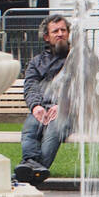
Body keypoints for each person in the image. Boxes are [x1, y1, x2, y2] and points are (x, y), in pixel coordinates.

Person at [18, 14, 73, 187]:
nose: (60, 34)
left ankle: (28, 173)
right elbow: (31, 86)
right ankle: (32, 166)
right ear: (46, 37)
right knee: (30, 128)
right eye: (55, 31)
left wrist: (63, 105)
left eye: (63, 30)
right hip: (43, 108)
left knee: (53, 131)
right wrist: (35, 107)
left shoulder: (79, 59)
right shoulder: (37, 62)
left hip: (70, 111)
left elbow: (84, 86)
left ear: (68, 34)